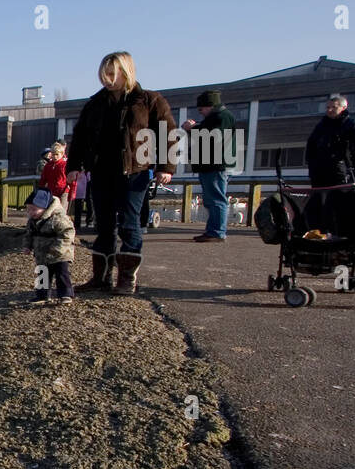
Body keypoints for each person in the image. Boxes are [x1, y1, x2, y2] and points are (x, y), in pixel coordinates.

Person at [65, 51, 176, 293]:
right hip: (102, 172)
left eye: (112, 74)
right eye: (103, 75)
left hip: (134, 172)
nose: (106, 80)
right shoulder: (95, 104)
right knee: (103, 225)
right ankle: (101, 277)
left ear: (126, 73)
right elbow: (80, 137)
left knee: (129, 222)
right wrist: (74, 166)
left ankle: (126, 279)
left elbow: (168, 133)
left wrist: (166, 167)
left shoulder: (149, 101)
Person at [183, 90, 236, 242]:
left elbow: (212, 137)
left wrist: (192, 129)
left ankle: (217, 232)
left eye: (201, 109)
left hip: (215, 165)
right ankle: (213, 230)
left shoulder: (221, 117)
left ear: (210, 106)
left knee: (216, 199)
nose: (200, 113)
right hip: (213, 165)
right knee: (212, 199)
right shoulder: (219, 118)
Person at [24, 188, 75, 304]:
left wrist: (58, 248)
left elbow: (68, 233)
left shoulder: (57, 218)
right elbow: (29, 234)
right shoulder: (32, 221)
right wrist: (27, 246)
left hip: (60, 254)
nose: (30, 212)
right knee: (42, 273)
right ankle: (41, 295)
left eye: (34, 209)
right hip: (42, 253)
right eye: (28, 210)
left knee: (61, 274)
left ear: (45, 207)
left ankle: (65, 294)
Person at [305, 94, 355, 187]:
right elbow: (311, 144)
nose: (329, 110)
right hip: (319, 171)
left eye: (334, 107)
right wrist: (312, 165)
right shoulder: (322, 125)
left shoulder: (352, 124)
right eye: (328, 107)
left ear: (344, 107)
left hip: (341, 170)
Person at [39, 141, 69, 207]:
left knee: (62, 211)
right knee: (51, 210)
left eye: (57, 154)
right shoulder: (48, 166)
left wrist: (71, 192)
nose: (55, 157)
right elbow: (43, 179)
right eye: (53, 154)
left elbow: (70, 180)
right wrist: (40, 189)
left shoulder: (65, 165)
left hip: (63, 192)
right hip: (51, 191)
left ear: (62, 154)